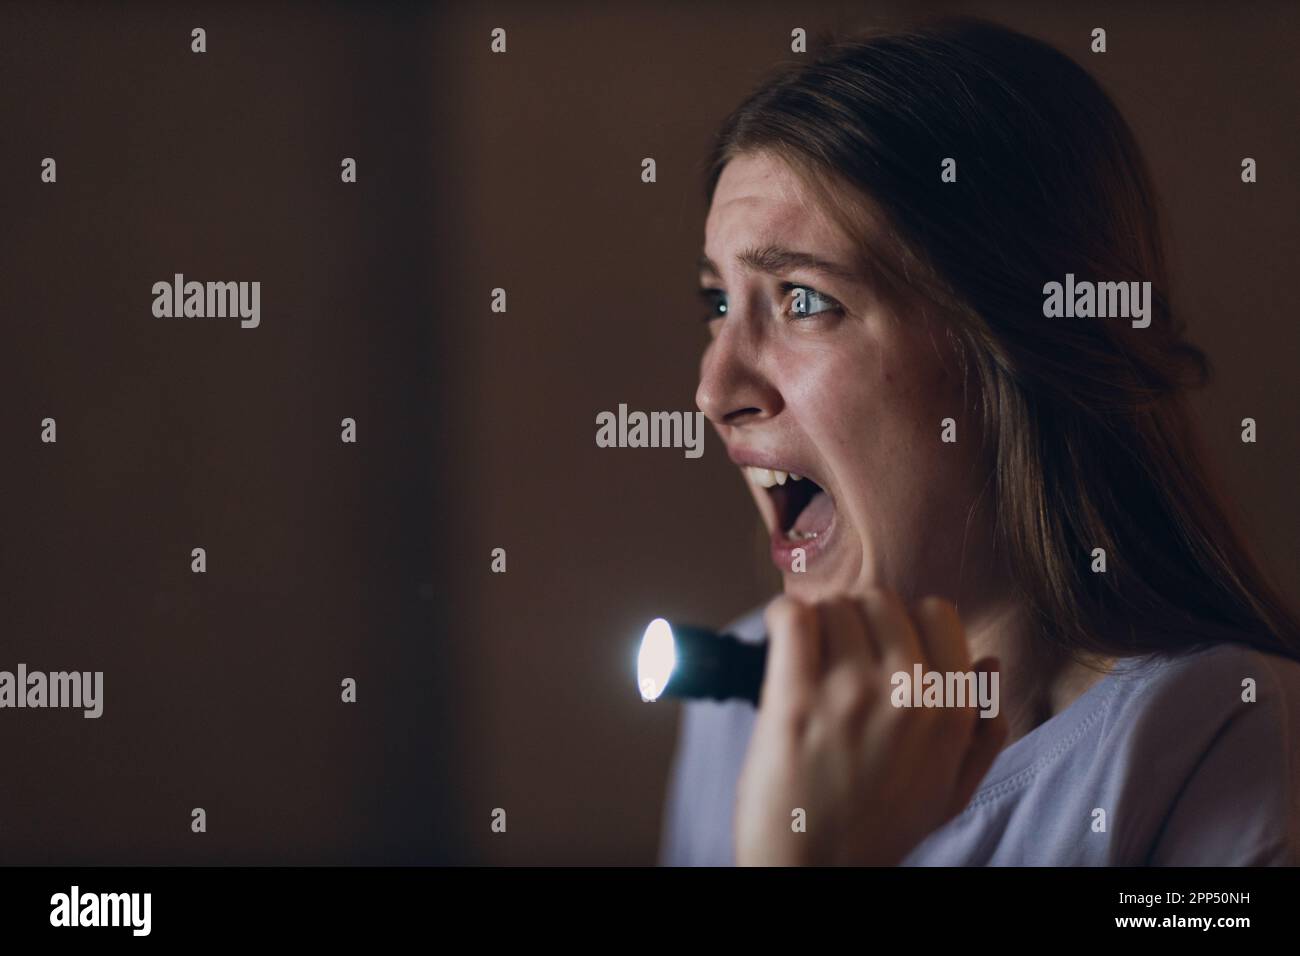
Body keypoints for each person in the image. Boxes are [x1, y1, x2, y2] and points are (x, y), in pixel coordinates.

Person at [659, 18, 1300, 866]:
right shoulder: (740, 688)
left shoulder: (1225, 737)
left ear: (1008, 350)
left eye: (804, 299)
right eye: (718, 304)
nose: (714, 390)